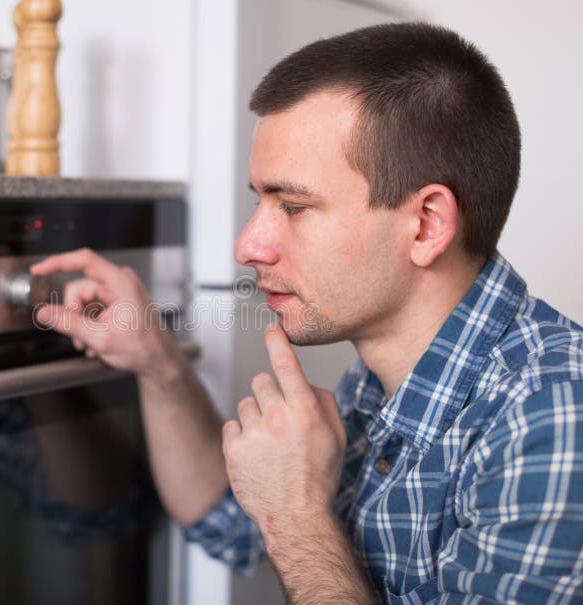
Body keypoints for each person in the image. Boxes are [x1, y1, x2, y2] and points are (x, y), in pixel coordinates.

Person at [30, 22, 583, 604]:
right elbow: (230, 525)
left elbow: (292, 530)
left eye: (293, 206)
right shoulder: (381, 382)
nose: (248, 246)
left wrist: (296, 512)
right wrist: (156, 362)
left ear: (426, 225)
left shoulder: (552, 420)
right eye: (259, 200)